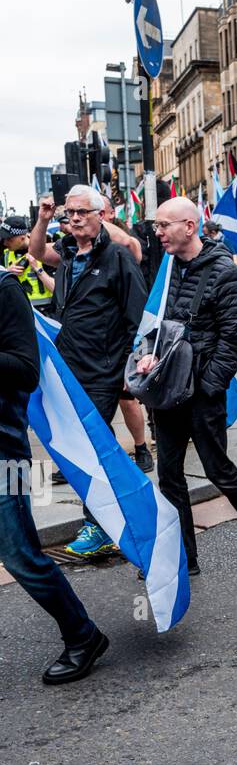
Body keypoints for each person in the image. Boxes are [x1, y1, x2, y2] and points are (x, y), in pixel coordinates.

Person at [135, 197, 237, 575]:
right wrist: (149, 354)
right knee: (169, 475)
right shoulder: (167, 269)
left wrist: (209, 387)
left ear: (189, 226)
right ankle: (186, 557)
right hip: (168, 389)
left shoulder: (223, 271)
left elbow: (233, 340)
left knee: (218, 469)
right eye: (156, 225)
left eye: (164, 225)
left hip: (202, 392)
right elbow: (157, 324)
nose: (158, 232)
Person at [0, 265, 109, 683]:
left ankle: (83, 636)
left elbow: (25, 369)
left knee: (20, 554)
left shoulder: (5, 287)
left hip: (3, 451)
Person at [29, 185, 147, 560]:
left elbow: (137, 316)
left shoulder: (116, 256)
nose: (75, 218)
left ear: (101, 216)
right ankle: (115, 516)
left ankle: (100, 525)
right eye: (70, 213)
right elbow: (33, 252)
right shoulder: (66, 254)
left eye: (83, 212)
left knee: (94, 447)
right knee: (91, 447)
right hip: (71, 369)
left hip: (104, 370)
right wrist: (44, 219)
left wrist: (133, 366)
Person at [1, 215, 54, 311]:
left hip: (45, 313)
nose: (5, 243)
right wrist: (6, 272)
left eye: (9, 239)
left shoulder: (46, 253)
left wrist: (39, 270)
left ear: (22, 238)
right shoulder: (5, 254)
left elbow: (58, 290)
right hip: (18, 312)